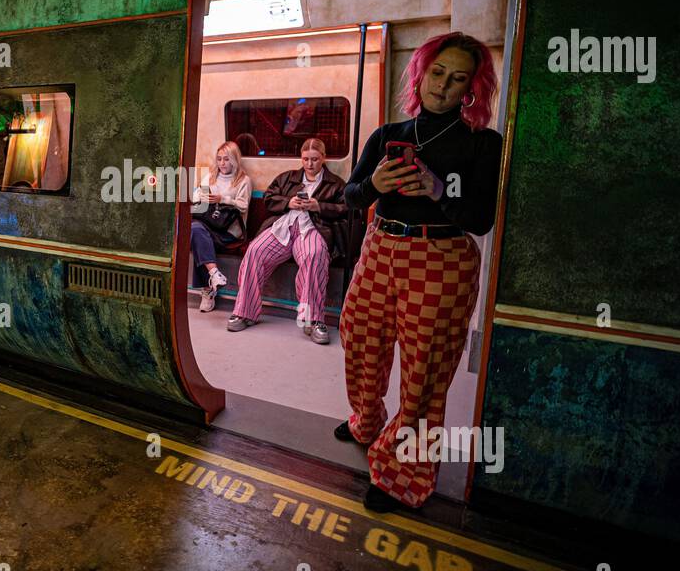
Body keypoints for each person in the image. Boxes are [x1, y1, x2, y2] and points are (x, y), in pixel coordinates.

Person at [337, 31, 502, 512]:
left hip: (442, 260)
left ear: (471, 89)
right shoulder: (388, 135)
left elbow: (480, 220)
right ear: (421, 72)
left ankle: (402, 473)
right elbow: (350, 197)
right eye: (437, 72)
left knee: (424, 370)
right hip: (380, 246)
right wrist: (374, 183)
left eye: (458, 79)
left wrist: (438, 189)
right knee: (359, 336)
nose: (444, 86)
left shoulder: (481, 145)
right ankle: (366, 422)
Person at [226, 138, 346, 343]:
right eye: (306, 159)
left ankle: (313, 319)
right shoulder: (287, 178)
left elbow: (346, 210)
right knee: (255, 250)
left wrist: (319, 206)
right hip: (284, 227)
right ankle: (246, 311)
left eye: (315, 159)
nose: (310, 164)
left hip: (313, 228)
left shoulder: (336, 184)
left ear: (324, 158)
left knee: (314, 255)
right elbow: (269, 199)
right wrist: (288, 202)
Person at [189, 141, 251, 312]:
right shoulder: (210, 177)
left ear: (235, 160)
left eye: (226, 159)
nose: (222, 163)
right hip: (209, 224)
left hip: (229, 232)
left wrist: (222, 199)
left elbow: (243, 205)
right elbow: (195, 197)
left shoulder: (243, 180)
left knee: (198, 238)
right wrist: (202, 195)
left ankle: (207, 291)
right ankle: (214, 274)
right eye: (219, 159)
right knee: (196, 231)